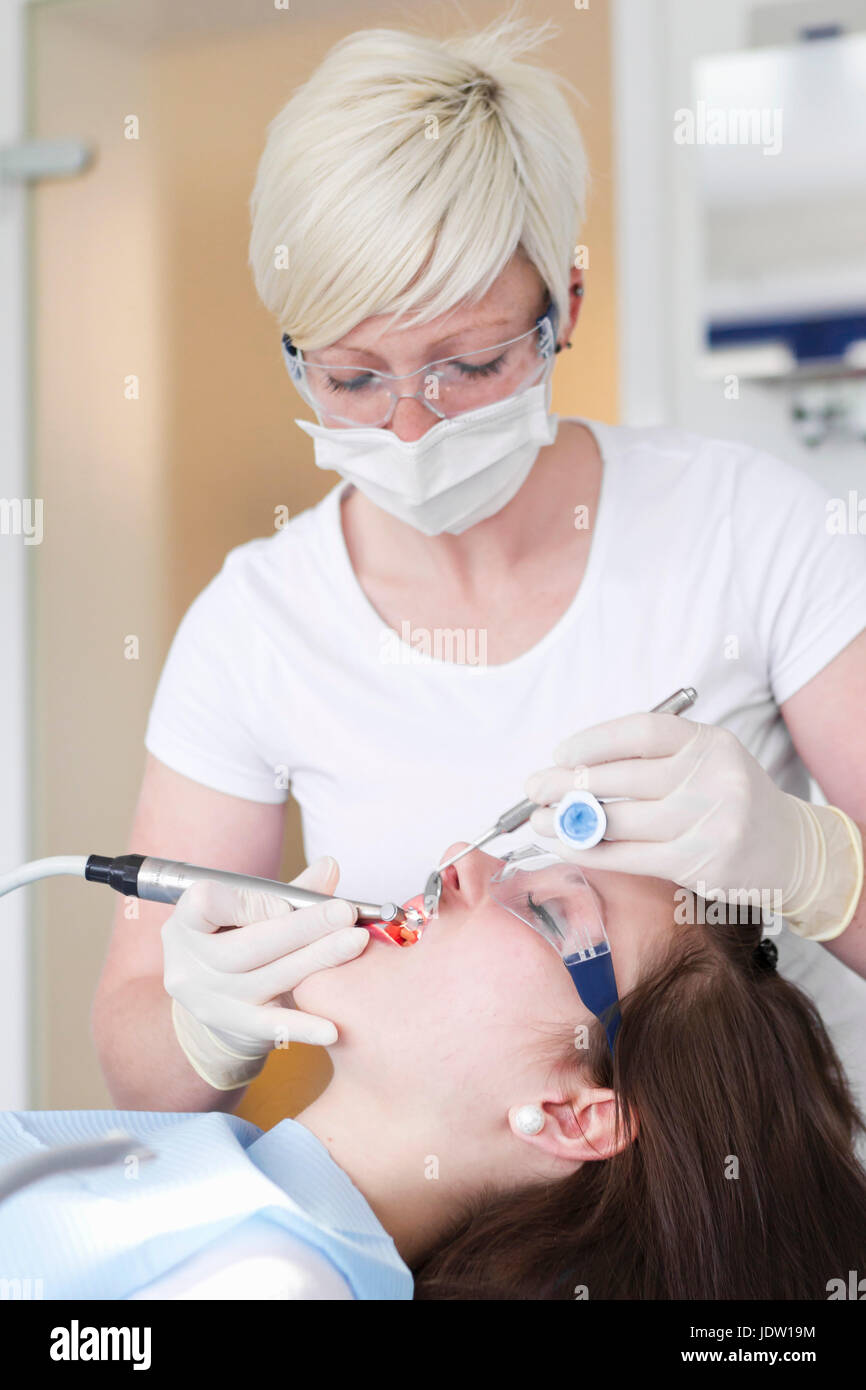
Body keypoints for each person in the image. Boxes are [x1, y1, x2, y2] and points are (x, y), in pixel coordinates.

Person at [91, 12, 866, 1124]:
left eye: (468, 363)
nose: (410, 429)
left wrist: (810, 863)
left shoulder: (749, 529)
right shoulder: (255, 626)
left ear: (565, 309)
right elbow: (136, 1057)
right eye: (354, 378)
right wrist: (201, 1022)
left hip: (755, 1218)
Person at [8, 848, 866, 1299]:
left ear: (571, 1115)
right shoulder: (240, 1186)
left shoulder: (284, 1279)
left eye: (545, 910)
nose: (460, 860)